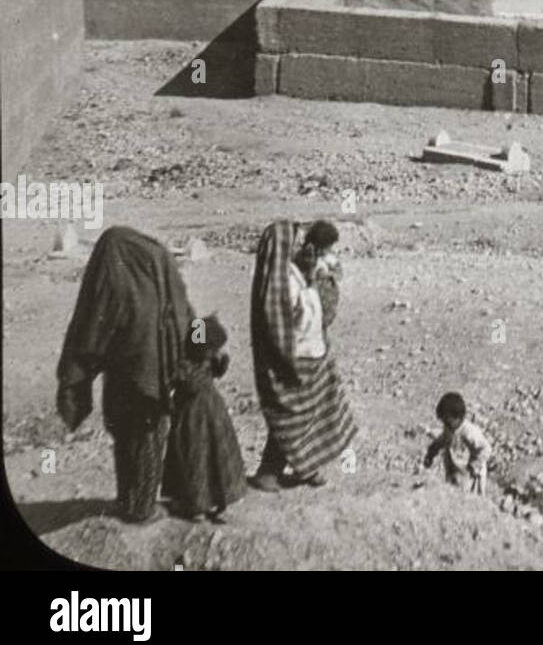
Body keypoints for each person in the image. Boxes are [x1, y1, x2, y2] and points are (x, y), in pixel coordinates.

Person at [56, 226, 193, 524]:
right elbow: (189, 317)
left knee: (126, 438)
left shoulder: (115, 285)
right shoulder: (160, 272)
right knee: (148, 438)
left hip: (123, 380)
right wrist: (208, 344)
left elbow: (89, 330)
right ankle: (141, 507)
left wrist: (78, 376)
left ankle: (130, 502)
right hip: (153, 380)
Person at [249, 220, 357, 492]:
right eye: (295, 242)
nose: (301, 245)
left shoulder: (295, 271)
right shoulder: (280, 281)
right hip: (293, 359)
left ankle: (304, 467)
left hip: (312, 352)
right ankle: (269, 471)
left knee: (314, 410)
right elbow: (283, 323)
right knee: (291, 416)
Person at [162, 314, 245, 522]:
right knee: (205, 459)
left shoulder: (191, 364)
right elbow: (192, 383)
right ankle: (205, 503)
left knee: (197, 460)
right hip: (201, 417)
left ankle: (200, 504)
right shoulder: (190, 367)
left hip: (201, 418)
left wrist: (217, 364)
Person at [423, 392, 491, 494]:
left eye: (447, 421)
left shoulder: (469, 431)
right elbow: (442, 439)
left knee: (471, 501)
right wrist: (432, 451)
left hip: (471, 476)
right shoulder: (449, 429)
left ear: (458, 418)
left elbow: (486, 448)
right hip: (455, 472)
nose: (445, 424)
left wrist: (474, 465)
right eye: (443, 421)